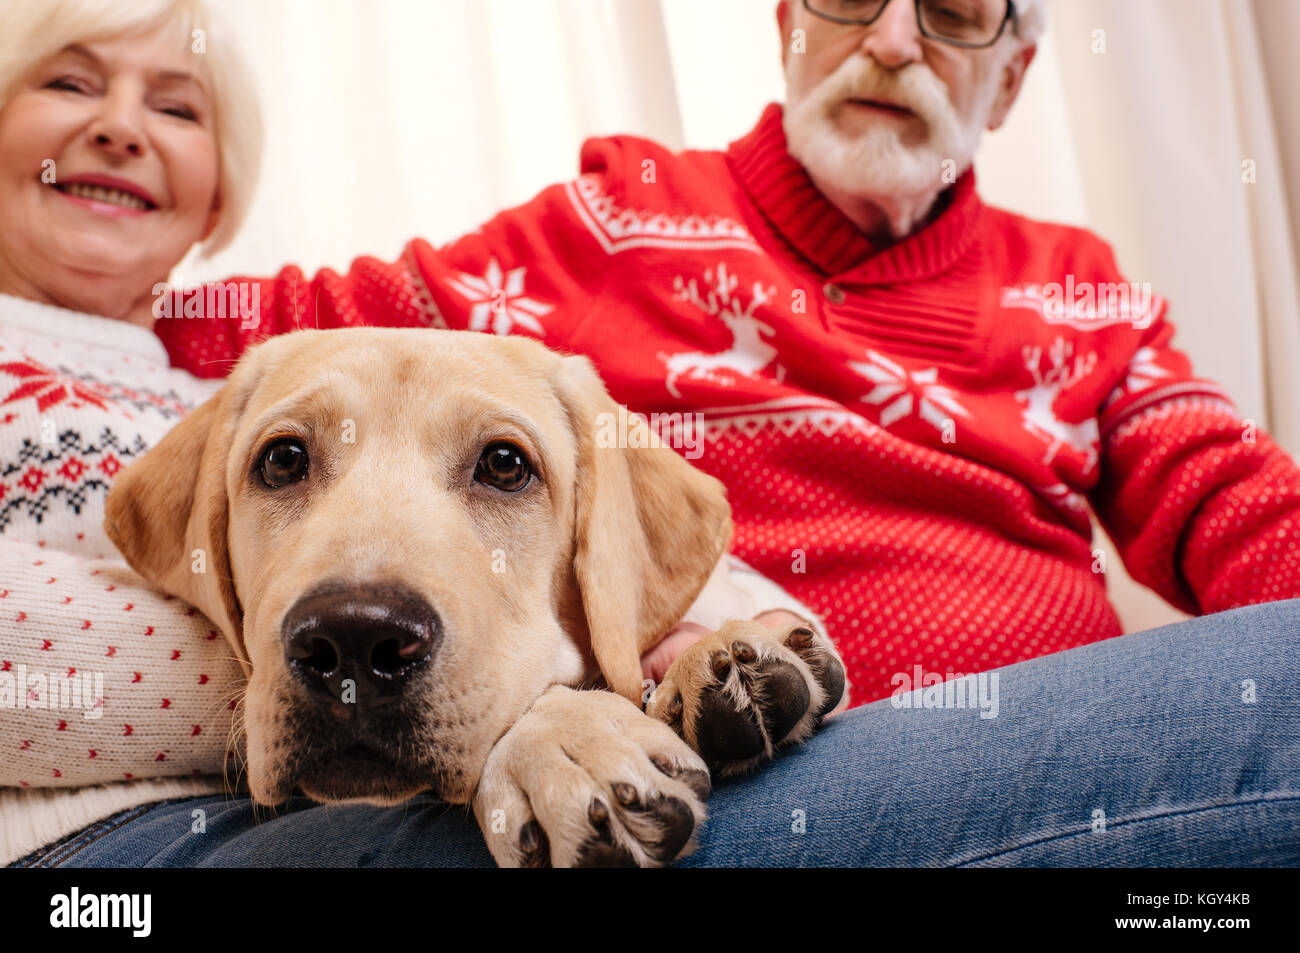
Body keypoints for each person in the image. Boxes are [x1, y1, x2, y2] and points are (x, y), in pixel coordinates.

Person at [6, 0, 1300, 867]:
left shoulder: (1090, 297)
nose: (897, 38)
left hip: (999, 734)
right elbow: (298, 358)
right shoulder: (597, 230)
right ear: (788, 21)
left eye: (959, 8)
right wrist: (103, 249)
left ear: (1013, 78)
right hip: (765, 776)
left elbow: (1247, 514)